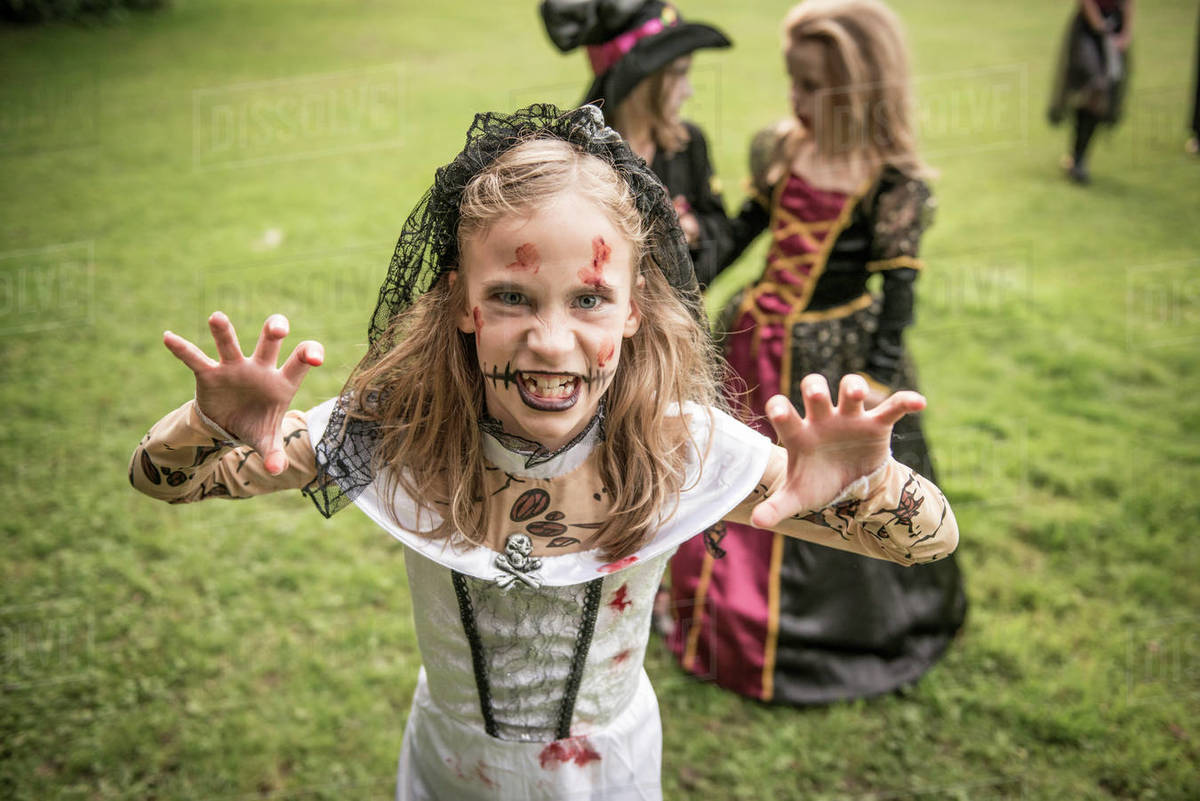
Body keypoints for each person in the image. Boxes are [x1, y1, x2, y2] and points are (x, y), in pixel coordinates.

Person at [129, 104, 959, 800]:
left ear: (635, 308)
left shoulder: (676, 445)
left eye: (590, 298)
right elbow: (163, 481)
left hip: (607, 775)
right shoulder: (400, 428)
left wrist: (872, 484)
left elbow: (931, 540)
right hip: (448, 764)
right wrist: (209, 427)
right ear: (460, 300)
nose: (552, 341)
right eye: (512, 296)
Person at [666, 0, 967, 707]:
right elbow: (745, 231)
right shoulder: (785, 147)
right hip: (751, 341)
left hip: (833, 365)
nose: (797, 99)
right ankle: (707, 605)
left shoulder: (892, 184)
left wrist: (880, 380)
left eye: (813, 87)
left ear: (863, 88)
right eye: (792, 81)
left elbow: (897, 301)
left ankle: (821, 632)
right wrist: (686, 265)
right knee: (728, 470)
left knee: (834, 486)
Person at [541, 0, 735, 286]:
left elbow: (719, 235)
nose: (688, 90)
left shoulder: (686, 143)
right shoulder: (574, 154)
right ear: (642, 81)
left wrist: (691, 231)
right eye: (679, 72)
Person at [1048, 0, 1135, 184]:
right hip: (1088, 29)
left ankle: (1079, 157)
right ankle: (1077, 156)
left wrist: (1125, 32)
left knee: (1103, 96)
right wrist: (1099, 26)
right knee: (1092, 88)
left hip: (1114, 29)